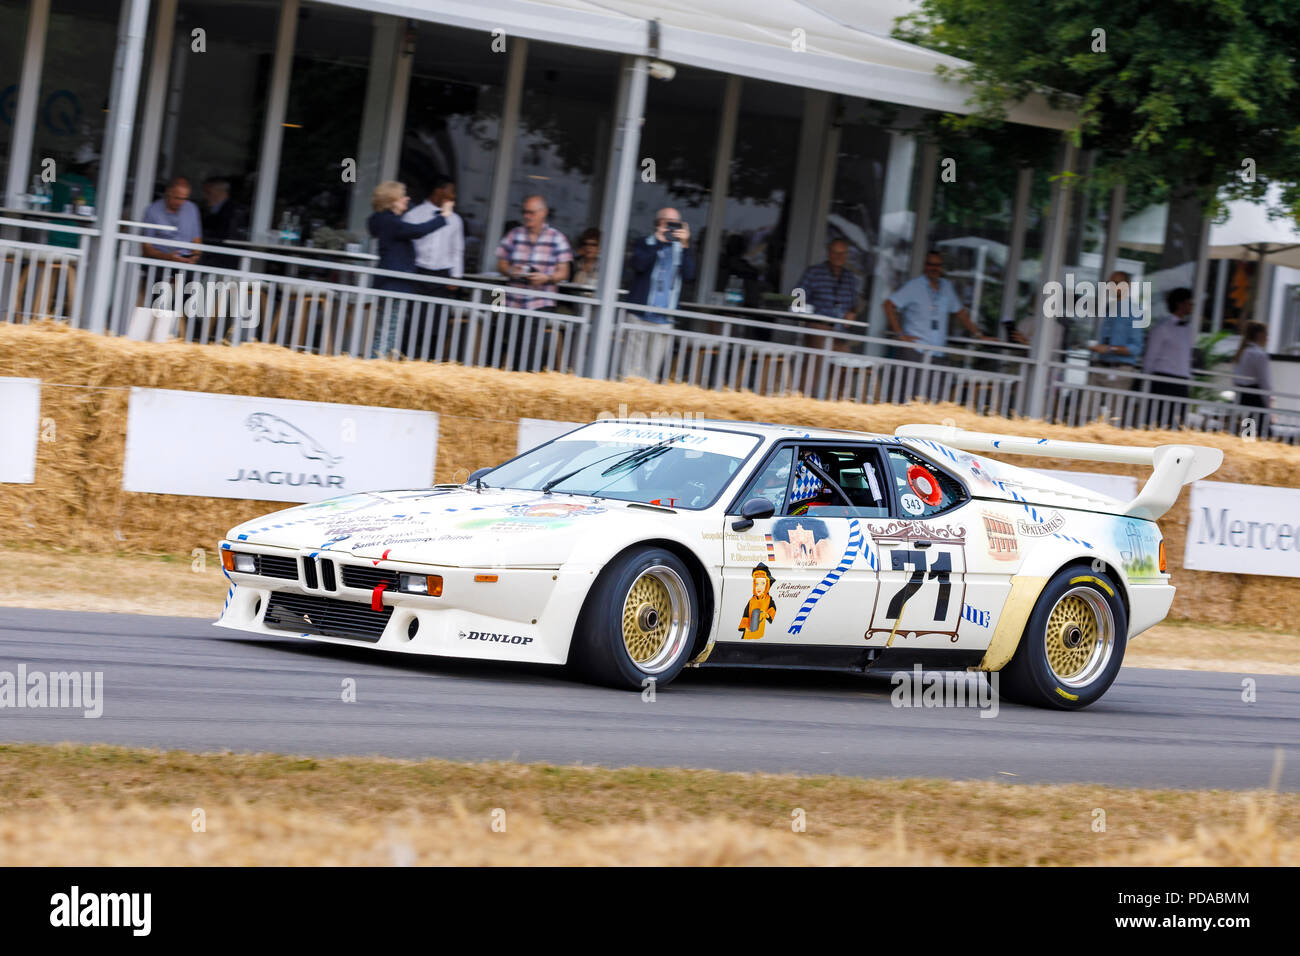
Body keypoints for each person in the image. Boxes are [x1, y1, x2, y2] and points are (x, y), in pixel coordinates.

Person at [366, 180, 451, 358]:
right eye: (402, 196)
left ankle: (379, 363)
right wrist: (443, 216)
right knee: (389, 329)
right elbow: (419, 230)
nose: (407, 199)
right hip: (394, 284)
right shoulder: (391, 223)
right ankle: (374, 364)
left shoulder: (384, 220)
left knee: (389, 328)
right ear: (392, 200)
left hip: (393, 283)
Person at [622, 207, 696, 379]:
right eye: (667, 222)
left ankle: (642, 406)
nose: (671, 227)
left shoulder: (682, 249)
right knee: (629, 372)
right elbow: (639, 265)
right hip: (639, 316)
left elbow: (690, 275)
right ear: (658, 223)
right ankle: (624, 406)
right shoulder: (645, 243)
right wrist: (658, 241)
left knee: (651, 373)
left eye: (675, 224)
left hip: (664, 319)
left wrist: (685, 245)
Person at [884, 250, 991, 359]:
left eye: (937, 265)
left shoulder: (947, 287)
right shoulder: (914, 286)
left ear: (941, 267)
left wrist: (979, 335)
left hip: (938, 353)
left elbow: (961, 314)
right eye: (930, 264)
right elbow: (888, 305)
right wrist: (900, 334)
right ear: (925, 266)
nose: (934, 268)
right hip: (915, 351)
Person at [494, 195, 572, 313]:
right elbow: (501, 265)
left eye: (531, 212)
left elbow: (564, 273)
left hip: (542, 303)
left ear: (543, 213)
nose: (526, 216)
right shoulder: (513, 234)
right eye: (524, 212)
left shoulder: (557, 238)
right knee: (503, 328)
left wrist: (546, 278)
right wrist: (511, 271)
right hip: (511, 302)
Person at [1142, 287, 1197, 427]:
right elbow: (1150, 357)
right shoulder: (1162, 327)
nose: (1192, 306)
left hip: (1181, 382)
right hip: (1163, 381)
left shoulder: (1189, 329)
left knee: (1178, 423)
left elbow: (1187, 357)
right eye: (1189, 303)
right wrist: (1147, 382)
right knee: (1157, 421)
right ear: (1180, 304)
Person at [796, 237, 862, 352]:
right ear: (828, 253)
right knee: (823, 356)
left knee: (844, 359)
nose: (839, 256)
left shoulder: (850, 278)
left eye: (842, 253)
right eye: (835, 252)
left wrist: (853, 312)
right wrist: (808, 319)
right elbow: (797, 298)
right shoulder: (814, 272)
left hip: (841, 331)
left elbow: (853, 305)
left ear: (847, 255)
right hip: (817, 328)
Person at [1088, 270, 1145, 390]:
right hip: (1100, 367)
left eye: (1116, 283)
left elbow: (1136, 348)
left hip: (1120, 372)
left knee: (1112, 409)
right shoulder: (1109, 307)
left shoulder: (1134, 311)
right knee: (1086, 407)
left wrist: (1109, 349)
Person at [406, 176, 464, 283]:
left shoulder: (455, 219)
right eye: (452, 191)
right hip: (416, 270)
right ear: (439, 191)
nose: (454, 196)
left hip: (443, 274)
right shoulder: (413, 215)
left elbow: (456, 249)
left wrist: (456, 275)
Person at [142, 176, 202, 264]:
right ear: (168, 193)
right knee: (163, 276)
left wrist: (195, 256)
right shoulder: (152, 210)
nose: (180, 202)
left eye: (184, 198)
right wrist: (168, 257)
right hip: (159, 263)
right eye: (177, 198)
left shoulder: (192, 208)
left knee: (180, 277)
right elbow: (146, 247)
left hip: (184, 264)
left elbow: (197, 241)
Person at [1232, 320, 1271, 437]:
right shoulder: (1259, 355)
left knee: (1244, 434)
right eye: (1266, 334)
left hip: (1240, 397)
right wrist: (1268, 404)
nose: (1267, 337)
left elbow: (1236, 379)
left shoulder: (1241, 353)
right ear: (1259, 335)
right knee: (1259, 435)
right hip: (1255, 400)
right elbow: (1264, 382)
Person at [199, 177, 238, 267]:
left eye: (208, 193)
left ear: (219, 192)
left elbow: (220, 234)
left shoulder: (231, 211)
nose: (205, 197)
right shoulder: (216, 210)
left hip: (221, 260)